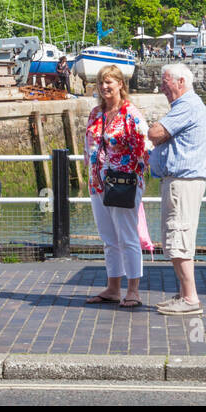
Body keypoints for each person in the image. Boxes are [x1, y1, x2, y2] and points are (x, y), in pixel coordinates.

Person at [84, 64, 149, 309]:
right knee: (109, 238)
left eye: (109, 82)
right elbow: (87, 147)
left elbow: (144, 149)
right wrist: (91, 175)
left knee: (127, 237)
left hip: (122, 184)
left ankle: (133, 290)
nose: (104, 87)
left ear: (121, 84)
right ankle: (113, 288)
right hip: (98, 184)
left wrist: (130, 178)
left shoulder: (130, 114)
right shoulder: (95, 113)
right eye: (101, 82)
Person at [147, 63, 206, 316]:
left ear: (181, 82)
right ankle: (185, 294)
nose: (162, 87)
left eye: (165, 82)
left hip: (182, 183)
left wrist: (156, 133)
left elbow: (155, 132)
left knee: (179, 236)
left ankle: (190, 298)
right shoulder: (187, 107)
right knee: (176, 236)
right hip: (178, 182)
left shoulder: (187, 106)